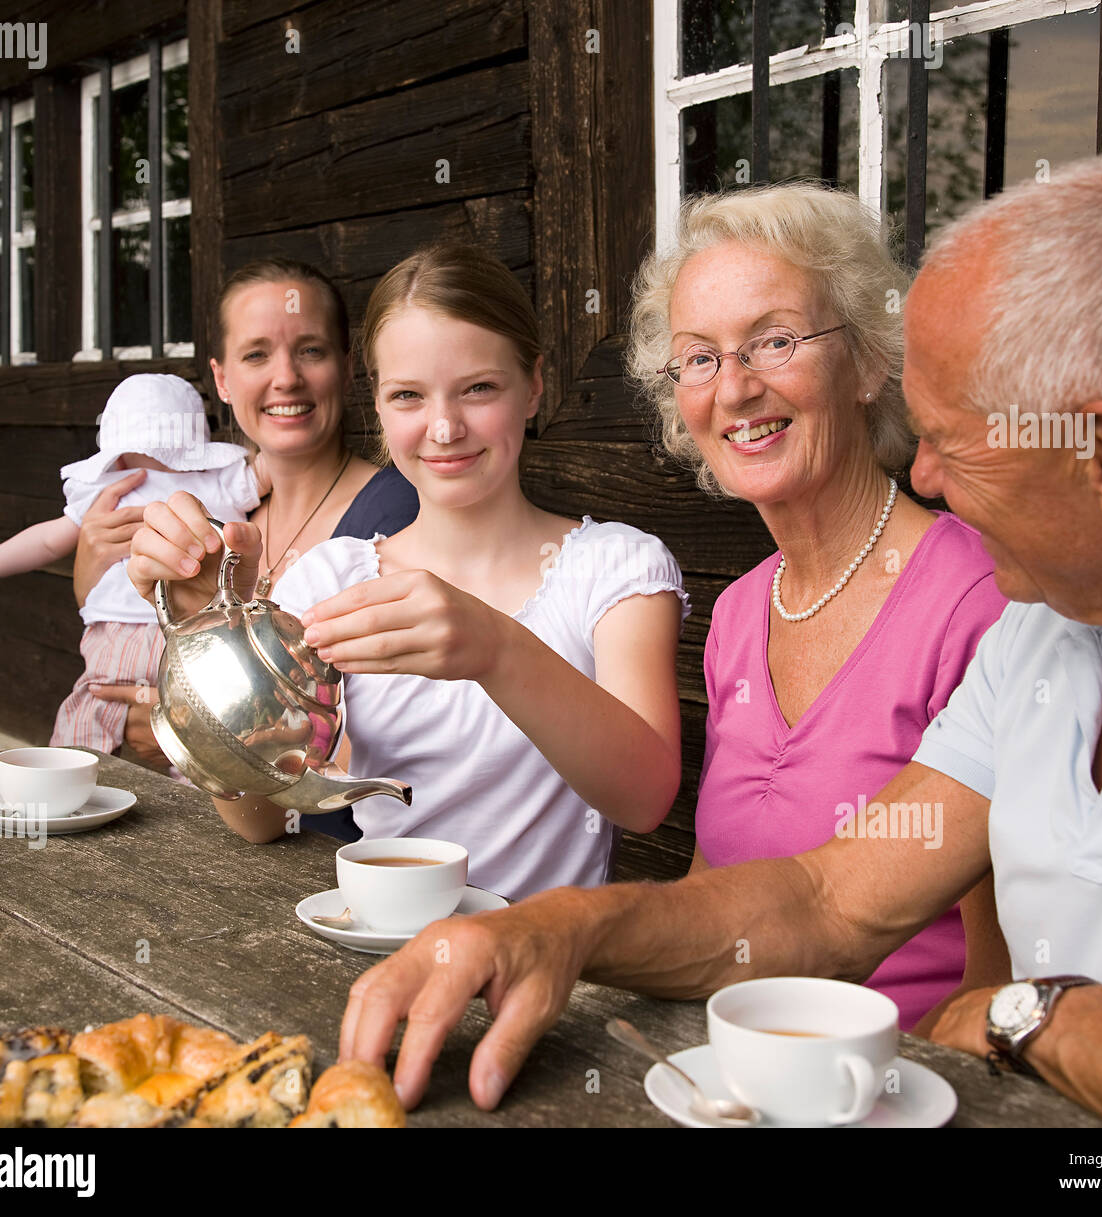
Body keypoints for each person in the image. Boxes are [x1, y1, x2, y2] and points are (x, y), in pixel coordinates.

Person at [334, 151, 1102, 1128]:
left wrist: (1032, 1017)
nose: (926, 474)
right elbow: (830, 903)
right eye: (697, 354)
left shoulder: (984, 598)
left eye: (955, 441)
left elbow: (979, 1000)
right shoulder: (1044, 638)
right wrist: (552, 926)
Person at [126, 243, 689, 900]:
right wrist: (214, 646)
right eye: (408, 396)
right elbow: (262, 820)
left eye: (479, 388)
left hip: (537, 963)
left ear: (533, 385)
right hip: (372, 942)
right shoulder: (332, 576)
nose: (445, 427)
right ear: (379, 403)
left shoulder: (615, 567)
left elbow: (643, 797)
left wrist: (496, 648)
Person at [625, 182, 1007, 1031]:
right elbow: (706, 889)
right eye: (700, 356)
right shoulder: (737, 614)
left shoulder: (975, 602)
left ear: (869, 361)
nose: (735, 387)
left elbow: (995, 980)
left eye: (775, 340)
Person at [82, 259, 420, 839]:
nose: (285, 378)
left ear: (346, 365)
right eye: (256, 354)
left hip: (323, 861)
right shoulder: (219, 521)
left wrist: (187, 724)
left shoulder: (396, 517)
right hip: (189, 832)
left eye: (311, 350)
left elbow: (384, 746)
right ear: (221, 378)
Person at [0, 373, 266, 764]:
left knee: (93, 705)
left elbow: (47, 540)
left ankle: (65, 779)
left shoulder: (108, 489)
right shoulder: (221, 481)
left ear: (115, 445)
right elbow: (271, 469)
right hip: (195, 634)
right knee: (198, 724)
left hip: (115, 635)